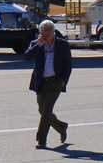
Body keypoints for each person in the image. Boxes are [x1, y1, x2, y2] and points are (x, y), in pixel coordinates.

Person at [24, 20, 72, 149]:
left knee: (46, 111)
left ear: (53, 32)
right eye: (43, 34)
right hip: (41, 81)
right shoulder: (36, 43)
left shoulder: (62, 44)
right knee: (42, 109)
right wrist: (38, 45)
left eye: (48, 34)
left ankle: (41, 140)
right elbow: (26, 57)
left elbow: (68, 65)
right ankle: (61, 126)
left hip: (55, 81)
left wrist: (63, 81)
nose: (46, 37)